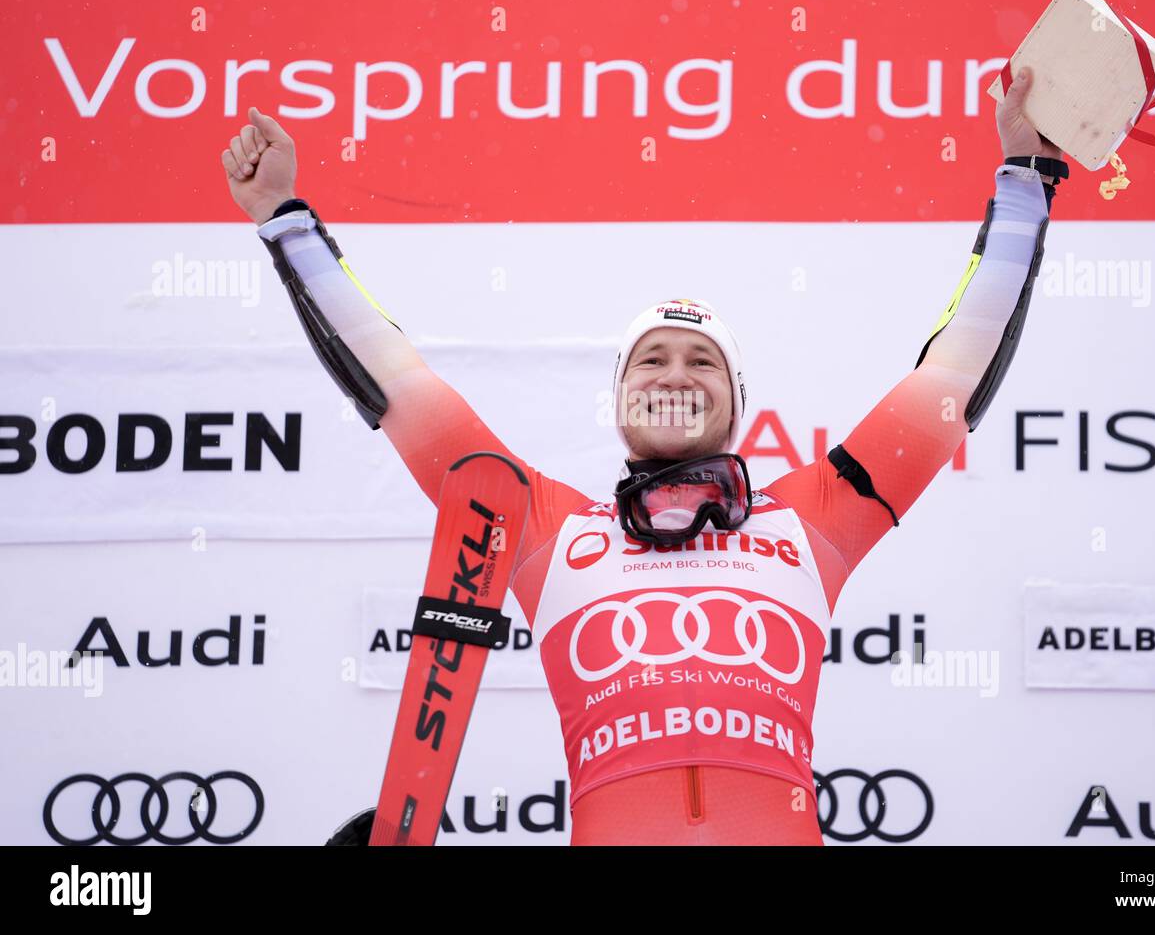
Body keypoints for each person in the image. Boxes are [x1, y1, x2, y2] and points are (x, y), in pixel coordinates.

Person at [221, 66, 1064, 845]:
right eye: (650, 359)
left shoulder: (815, 520)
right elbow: (395, 380)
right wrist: (285, 220)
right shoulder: (540, 527)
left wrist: (1025, 178)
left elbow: (956, 369)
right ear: (618, 395)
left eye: (702, 362)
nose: (675, 374)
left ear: (738, 402)